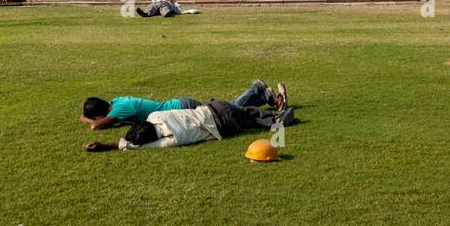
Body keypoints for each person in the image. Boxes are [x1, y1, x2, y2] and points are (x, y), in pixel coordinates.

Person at [85, 91, 295, 152]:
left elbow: (149, 145)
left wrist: (110, 146)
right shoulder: (154, 117)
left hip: (220, 124)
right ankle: (264, 96)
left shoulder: (172, 139)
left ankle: (278, 117)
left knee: (249, 118)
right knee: (245, 111)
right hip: (211, 107)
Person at [81, 81, 285, 131]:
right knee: (227, 108)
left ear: (100, 114)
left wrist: (91, 121)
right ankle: (262, 95)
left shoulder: (120, 109)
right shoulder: (116, 101)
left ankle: (255, 89)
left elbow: (95, 126)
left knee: (226, 110)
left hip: (181, 107)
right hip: (178, 104)